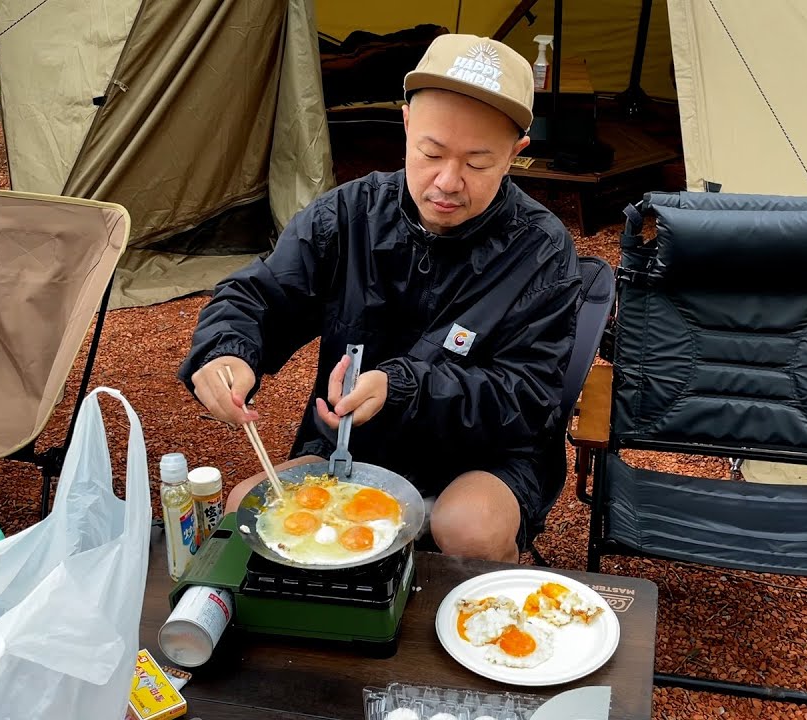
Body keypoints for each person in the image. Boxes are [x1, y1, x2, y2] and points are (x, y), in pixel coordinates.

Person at [178, 34, 581, 563]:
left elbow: (527, 397)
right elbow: (259, 295)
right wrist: (226, 351)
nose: (447, 181)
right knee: (243, 508)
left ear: (515, 155)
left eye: (478, 163)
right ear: (407, 125)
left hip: (486, 457)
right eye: (431, 152)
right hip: (352, 443)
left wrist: (404, 387)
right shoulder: (350, 214)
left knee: (468, 529)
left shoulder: (541, 250)